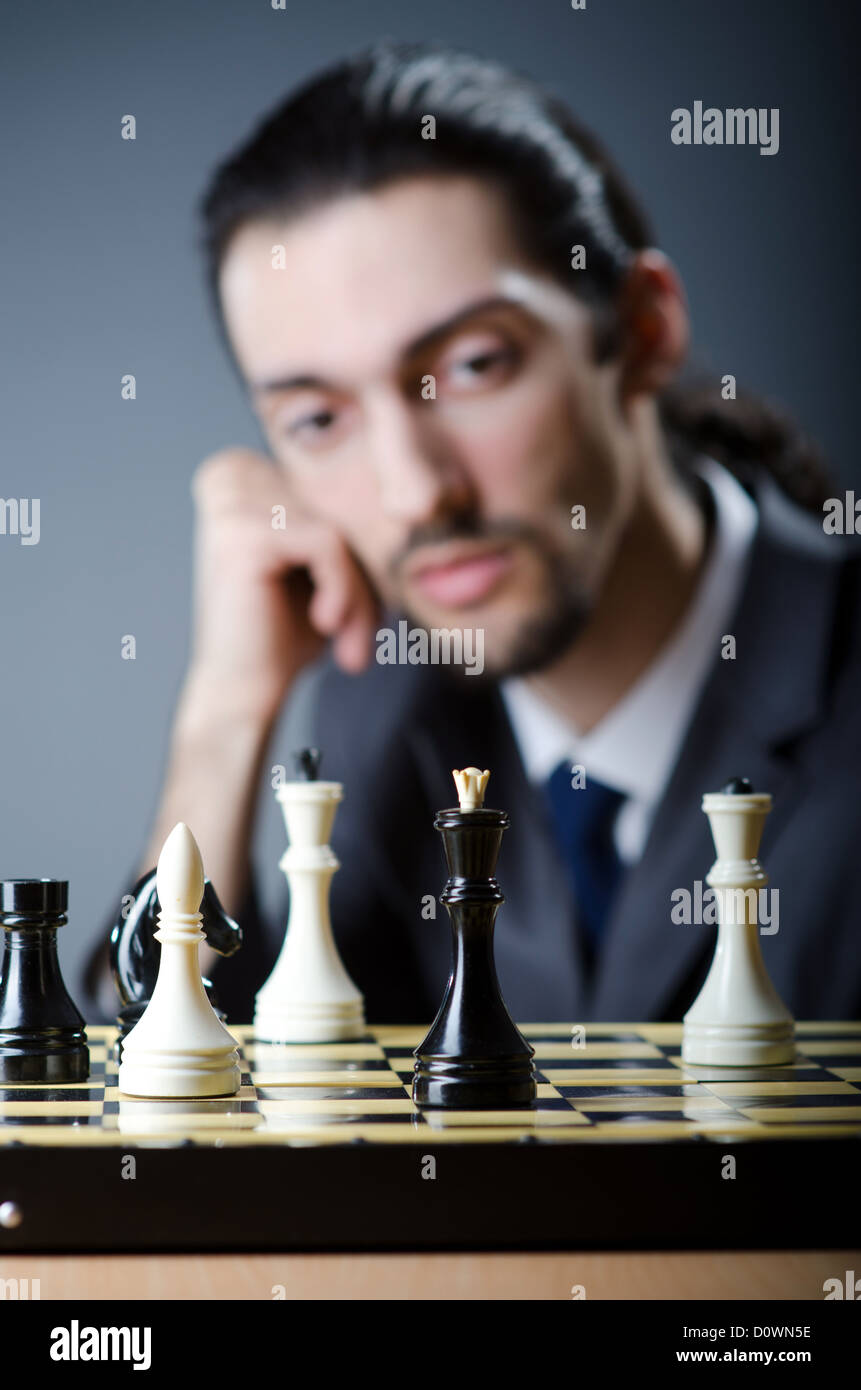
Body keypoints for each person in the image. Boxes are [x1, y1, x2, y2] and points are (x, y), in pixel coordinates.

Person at [85, 42, 861, 1026]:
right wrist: (224, 716)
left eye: (475, 366)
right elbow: (171, 1108)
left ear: (643, 331)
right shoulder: (381, 719)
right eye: (319, 418)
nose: (414, 495)